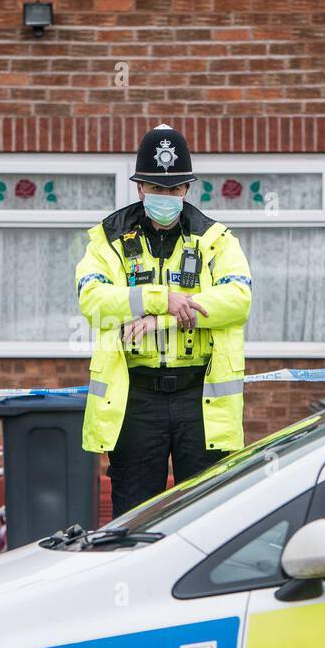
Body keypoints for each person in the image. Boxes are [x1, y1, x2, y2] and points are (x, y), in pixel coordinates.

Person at [74, 124, 253, 517]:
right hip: (136, 398)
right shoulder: (108, 239)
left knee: (205, 515)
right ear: (140, 188)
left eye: (173, 190)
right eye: (157, 189)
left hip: (200, 397)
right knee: (135, 517)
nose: (166, 197)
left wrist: (165, 318)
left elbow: (238, 300)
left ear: (187, 189)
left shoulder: (215, 239)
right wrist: (161, 299)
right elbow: (94, 301)